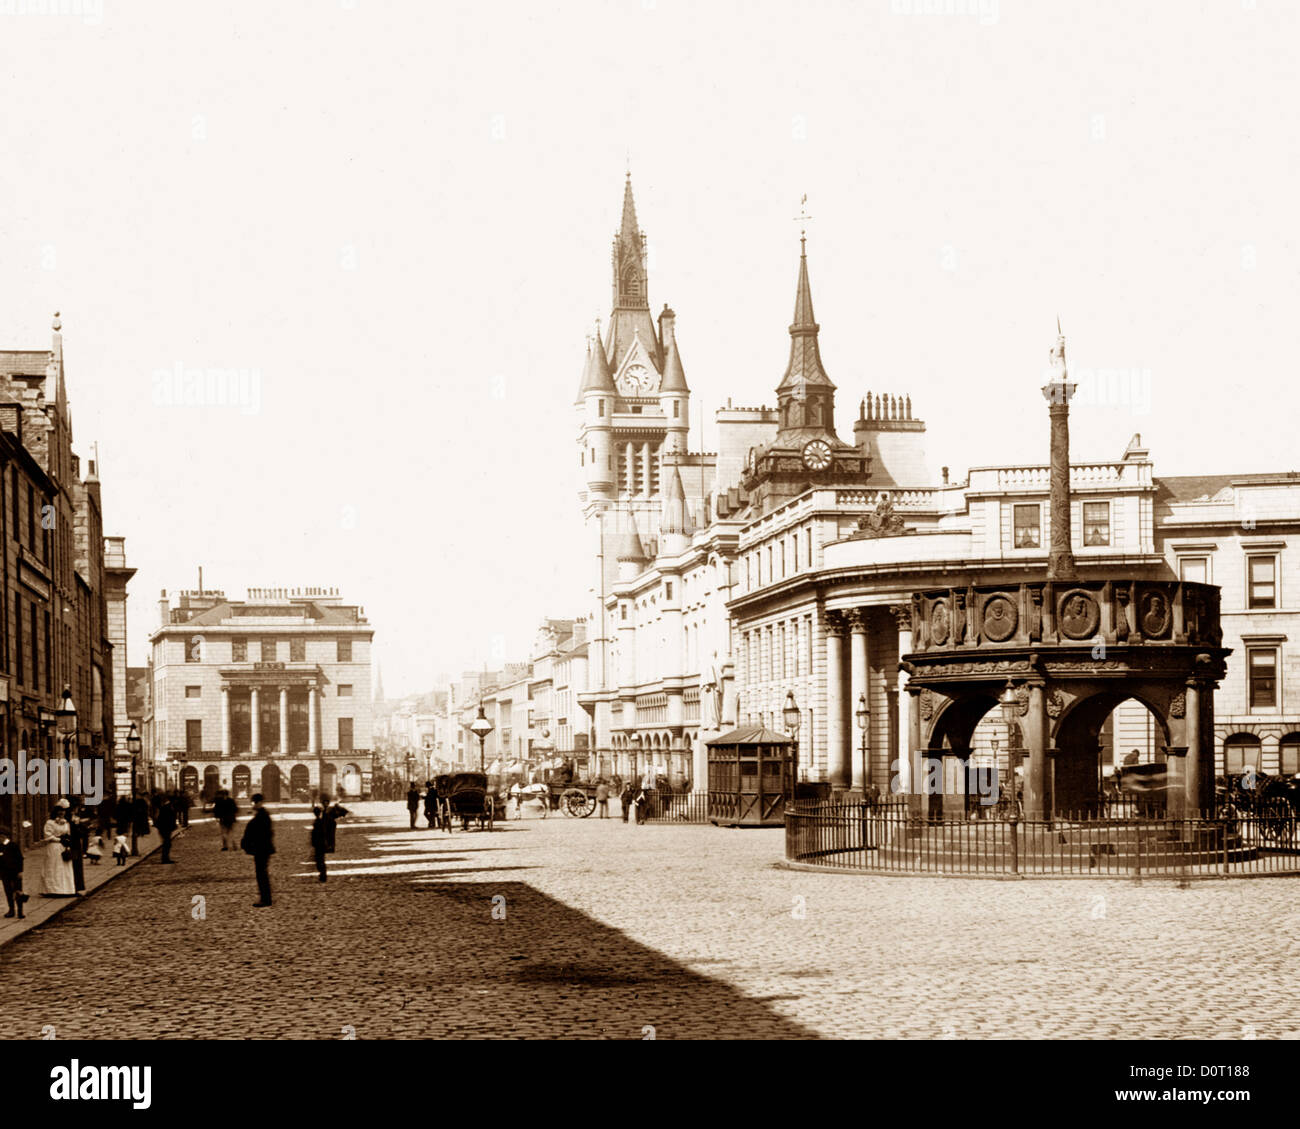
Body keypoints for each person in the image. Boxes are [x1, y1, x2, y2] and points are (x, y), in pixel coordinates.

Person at [240, 793, 275, 907]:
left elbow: (261, 833)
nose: (252, 804)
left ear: (259, 802)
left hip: (262, 849)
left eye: (254, 802)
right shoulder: (262, 815)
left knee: (261, 874)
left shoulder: (262, 816)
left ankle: (265, 899)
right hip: (262, 849)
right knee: (261, 874)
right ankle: (265, 897)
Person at [40, 806, 76, 897]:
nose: (61, 813)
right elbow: (47, 835)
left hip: (63, 847)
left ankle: (66, 889)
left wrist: (67, 840)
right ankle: (52, 889)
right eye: (59, 811)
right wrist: (59, 839)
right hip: (53, 847)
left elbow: (68, 833)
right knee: (53, 866)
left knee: (64, 867)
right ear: (56, 812)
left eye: (63, 811)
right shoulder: (50, 823)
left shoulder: (66, 823)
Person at [1, 831, 27, 918]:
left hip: (15, 872)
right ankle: (11, 910)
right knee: (8, 891)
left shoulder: (13, 845)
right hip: (5, 873)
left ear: (4, 836)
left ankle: (20, 911)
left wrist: (20, 871)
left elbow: (20, 859)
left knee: (18, 891)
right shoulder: (0, 846)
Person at [154, 798, 177, 864]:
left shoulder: (166, 807)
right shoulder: (167, 808)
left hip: (164, 828)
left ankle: (166, 858)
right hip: (165, 828)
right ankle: (165, 859)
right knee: (167, 844)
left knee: (167, 843)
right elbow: (168, 819)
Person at [309, 806, 328, 883]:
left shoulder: (318, 822)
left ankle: (323, 875)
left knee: (319, 860)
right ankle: (322, 874)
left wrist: (314, 842)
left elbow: (317, 834)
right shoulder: (319, 821)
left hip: (319, 844)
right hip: (320, 844)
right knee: (320, 860)